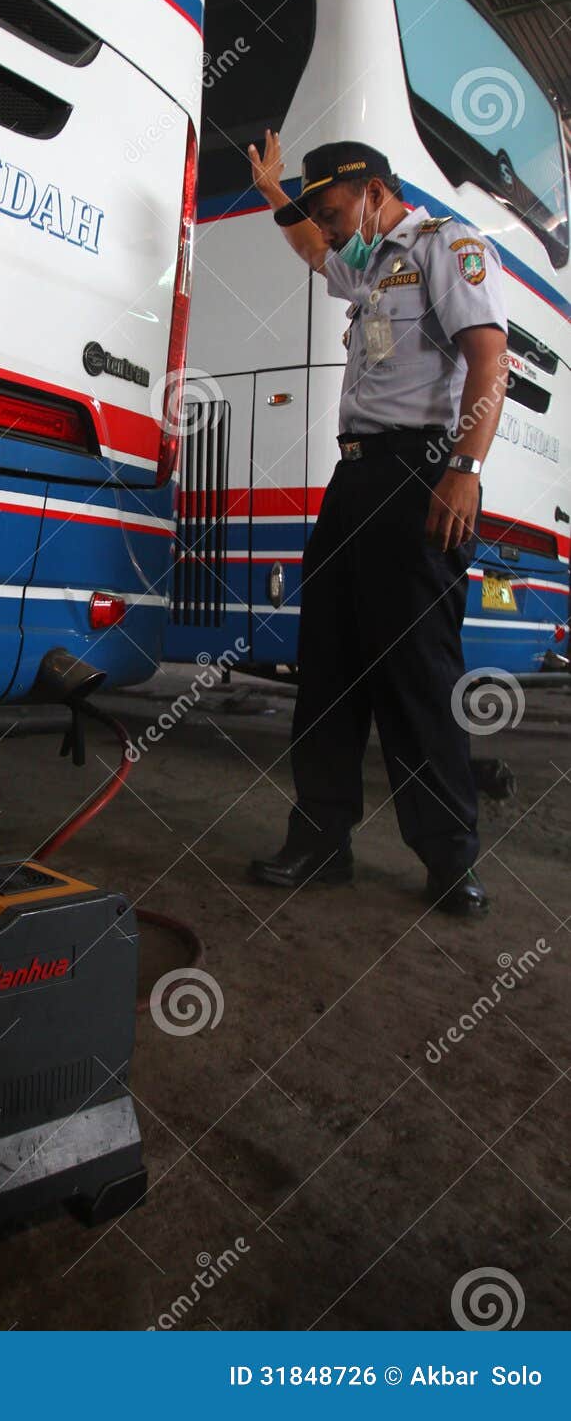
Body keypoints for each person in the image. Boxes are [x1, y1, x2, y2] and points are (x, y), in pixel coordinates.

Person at [245, 134, 509, 917]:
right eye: (321, 218)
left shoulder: (444, 244)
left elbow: (490, 362)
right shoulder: (364, 259)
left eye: (331, 211)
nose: (326, 231)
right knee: (326, 666)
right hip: (355, 478)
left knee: (417, 675)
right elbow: (308, 250)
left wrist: (462, 469)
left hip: (421, 476)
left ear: (372, 189)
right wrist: (271, 192)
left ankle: (448, 858)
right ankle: (320, 841)